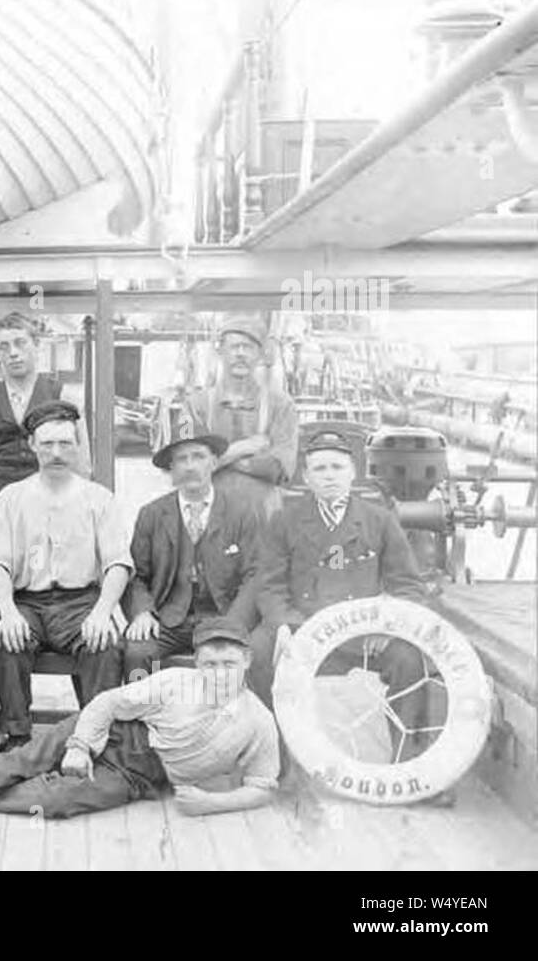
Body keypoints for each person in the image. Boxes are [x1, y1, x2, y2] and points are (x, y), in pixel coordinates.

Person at [0, 617, 280, 821]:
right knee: (23, 761)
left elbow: (262, 787)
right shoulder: (176, 680)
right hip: (111, 732)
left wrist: (212, 803)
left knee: (55, 799)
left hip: (137, 776)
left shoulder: (257, 723)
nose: (219, 672)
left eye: (229, 663)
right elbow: (106, 703)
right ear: (198, 662)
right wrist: (79, 745)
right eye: (210, 662)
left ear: (247, 660)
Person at [251, 430, 433, 760]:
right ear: (306, 477)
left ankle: (412, 765)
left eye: (337, 467)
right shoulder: (284, 521)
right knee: (258, 654)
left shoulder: (380, 520)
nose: (330, 476)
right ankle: (273, 759)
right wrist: (285, 625)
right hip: (303, 628)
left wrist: (387, 623)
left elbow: (409, 586)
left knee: (409, 658)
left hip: (363, 635)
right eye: (319, 469)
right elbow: (270, 585)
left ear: (353, 472)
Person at [0, 401, 132, 750]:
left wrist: (102, 613)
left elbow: (117, 564)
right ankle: (17, 737)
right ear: (32, 445)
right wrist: (6, 611)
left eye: (65, 443)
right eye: (47, 444)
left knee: (105, 645)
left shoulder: (98, 498)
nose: (56, 453)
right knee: (9, 640)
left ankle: (95, 737)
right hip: (27, 602)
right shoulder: (11, 498)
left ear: (77, 445)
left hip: (80, 602)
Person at [123, 409, 261, 680]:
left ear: (214, 462)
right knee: (137, 655)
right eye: (181, 459)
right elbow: (137, 575)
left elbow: (255, 574)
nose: (190, 466)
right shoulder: (152, 514)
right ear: (171, 470)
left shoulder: (241, 512)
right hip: (168, 619)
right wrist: (142, 613)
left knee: (244, 657)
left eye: (198, 456)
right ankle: (139, 719)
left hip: (223, 616)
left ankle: (233, 720)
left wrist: (235, 621)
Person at [0, 312, 91, 507]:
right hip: (2, 503)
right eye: (4, 346)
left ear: (36, 345)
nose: (13, 353)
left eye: (20, 343)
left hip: (53, 500)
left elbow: (81, 462)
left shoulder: (63, 396)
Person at [186, 314, 298, 518]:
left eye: (248, 347)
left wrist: (215, 460)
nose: (241, 354)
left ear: (260, 354)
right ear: (220, 350)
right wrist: (243, 449)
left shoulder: (281, 405)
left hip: (263, 518)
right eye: (234, 347)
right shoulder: (197, 404)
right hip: (209, 518)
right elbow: (188, 470)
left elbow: (279, 469)